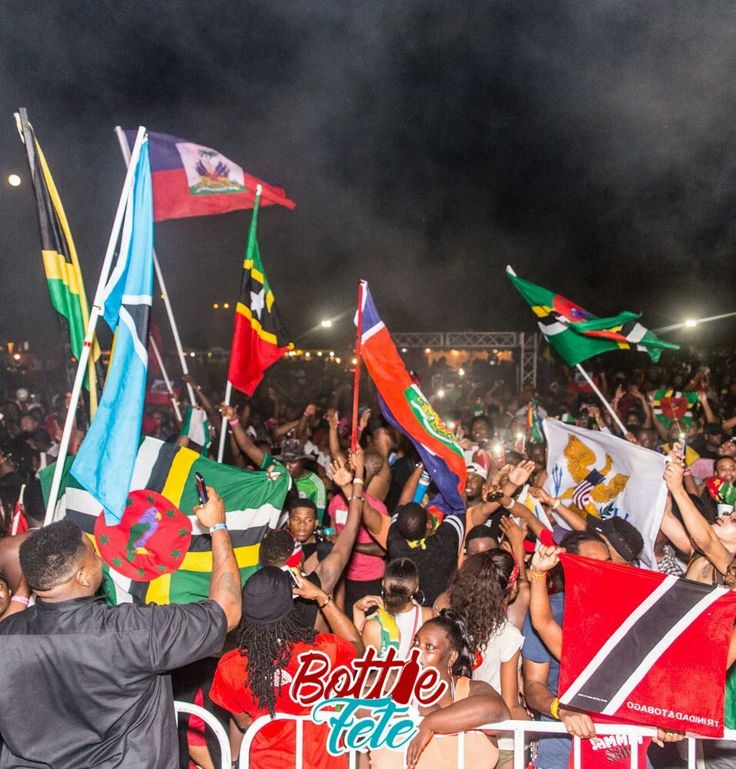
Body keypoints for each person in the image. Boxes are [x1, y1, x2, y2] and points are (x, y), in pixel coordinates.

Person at [0, 487, 241, 769]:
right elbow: (227, 611)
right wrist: (219, 527)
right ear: (82, 576)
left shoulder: (7, 636)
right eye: (93, 555)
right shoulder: (133, 630)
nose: (100, 560)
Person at [209, 565, 364, 768]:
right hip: (323, 763)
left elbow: (245, 723)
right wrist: (320, 596)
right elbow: (358, 648)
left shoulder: (230, 667)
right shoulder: (322, 652)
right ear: (290, 608)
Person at [370, 610, 510, 769]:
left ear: (451, 658)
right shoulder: (397, 681)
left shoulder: (469, 689)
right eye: (416, 644)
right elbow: (353, 698)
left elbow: (496, 710)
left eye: (429, 647)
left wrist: (430, 723)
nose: (417, 652)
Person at [446, 549, 529, 769]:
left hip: (462, 732)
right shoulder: (508, 635)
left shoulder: (454, 627)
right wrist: (533, 731)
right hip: (502, 740)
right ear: (510, 589)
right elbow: (510, 703)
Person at [352, 557, 433, 659]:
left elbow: (360, 657)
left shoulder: (374, 626)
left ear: (383, 583)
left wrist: (357, 610)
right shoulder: (430, 617)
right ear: (416, 587)